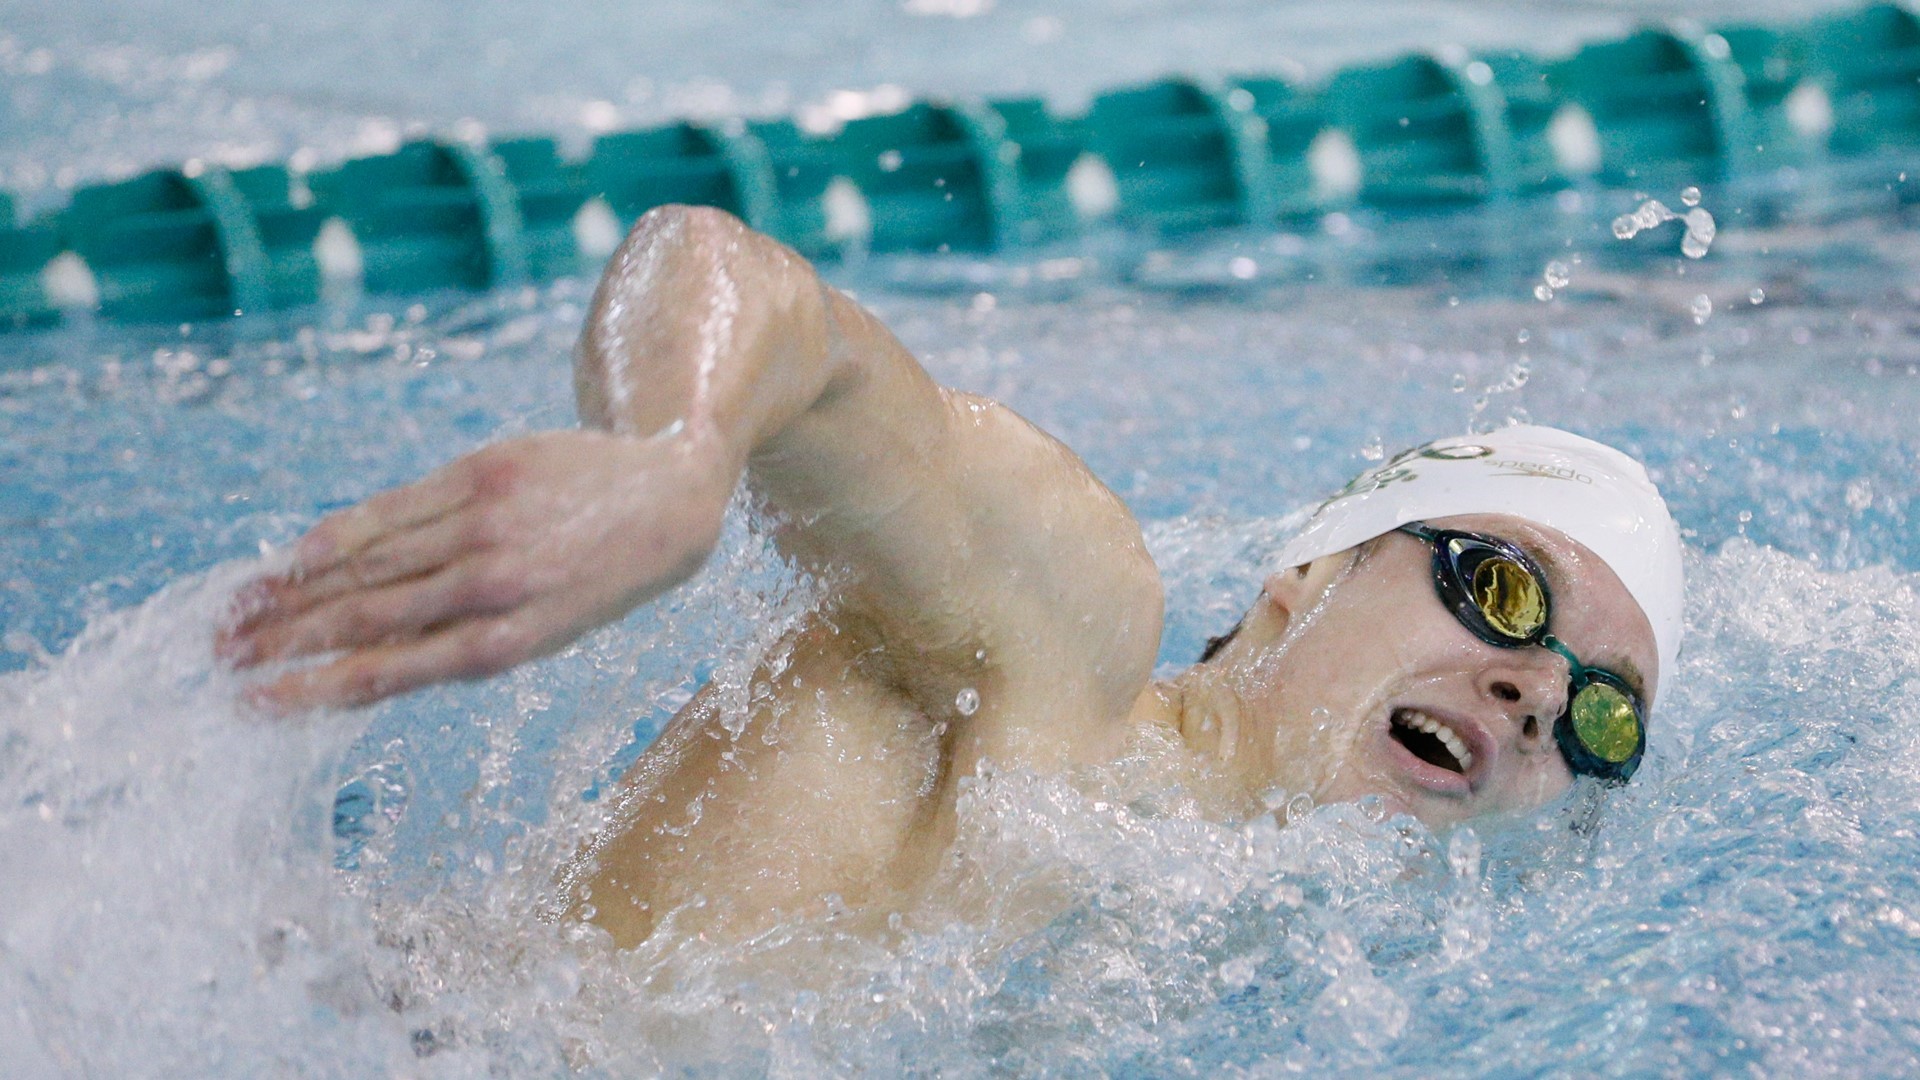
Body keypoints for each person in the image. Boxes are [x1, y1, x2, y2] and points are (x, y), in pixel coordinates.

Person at [217, 205, 1684, 949]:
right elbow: (749, 285)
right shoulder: (1066, 646)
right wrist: (673, 459)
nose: (1537, 692)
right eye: (1505, 591)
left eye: (1601, 714)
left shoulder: (1232, 936)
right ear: (1308, 575)